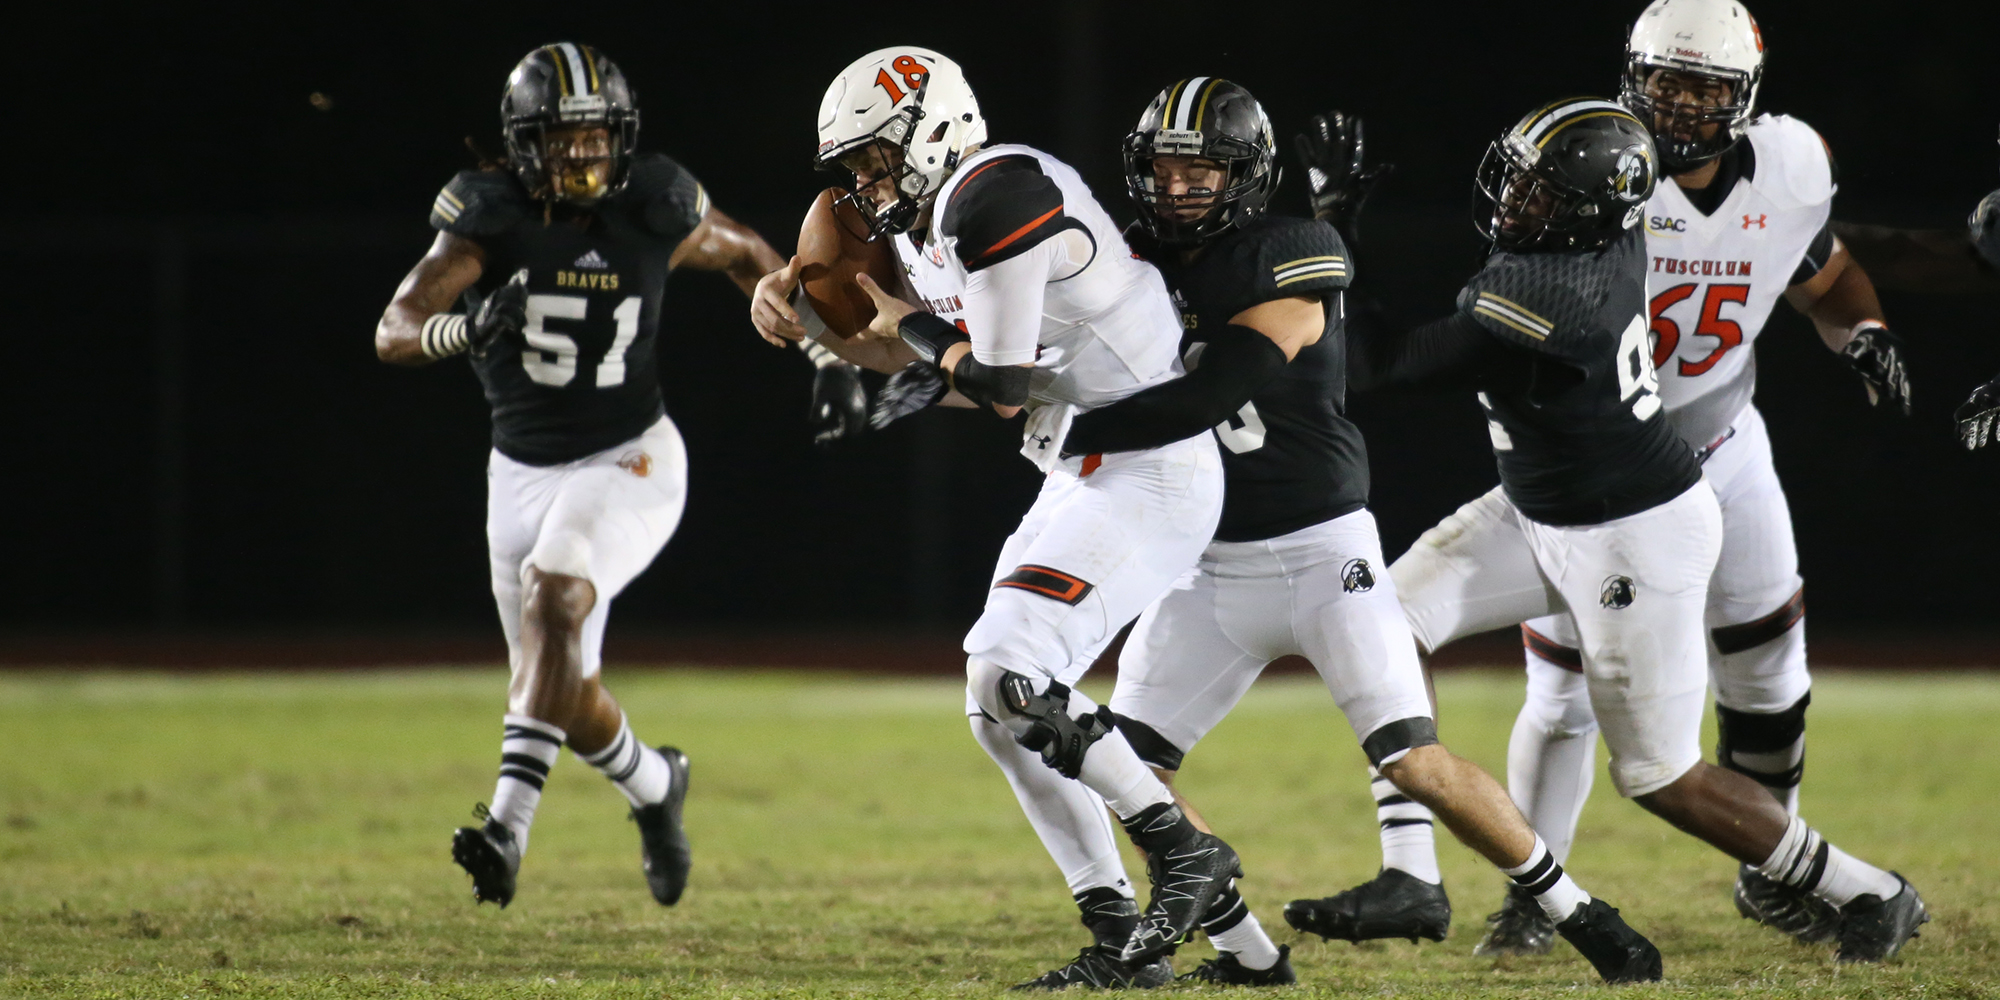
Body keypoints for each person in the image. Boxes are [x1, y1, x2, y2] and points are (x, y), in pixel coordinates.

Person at [1325, 0, 1917, 955]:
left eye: (1533, 190)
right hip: (1563, 498)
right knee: (1376, 629)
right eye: (1519, 182)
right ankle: (1431, 878)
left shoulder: (1555, 273)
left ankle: (1851, 886)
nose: (1515, 202)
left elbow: (1376, 363)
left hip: (1639, 508)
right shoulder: (1600, 193)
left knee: (1665, 763)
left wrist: (1328, 241)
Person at [1049, 79, 1667, 987]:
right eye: (1166, 169)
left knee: (1415, 762)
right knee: (1122, 772)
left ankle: (1580, 912)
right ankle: (1250, 958)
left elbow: (1214, 392)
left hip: (1319, 551)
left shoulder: (1294, 250)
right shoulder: (1122, 260)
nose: (1179, 189)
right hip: (1204, 570)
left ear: (1247, 177)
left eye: (1202, 171)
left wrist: (1062, 424)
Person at [751, 47, 1242, 988]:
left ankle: (1182, 847)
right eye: (854, 169)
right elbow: (937, 365)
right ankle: (1117, 940)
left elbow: (999, 383)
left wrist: (892, 324)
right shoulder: (938, 222)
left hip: (1155, 470)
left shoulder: (996, 193)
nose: (864, 185)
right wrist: (807, 322)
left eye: (873, 160)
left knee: (1011, 672)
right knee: (993, 704)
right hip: (1086, 467)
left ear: (929, 129)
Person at [374, 42, 787, 908]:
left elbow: (750, 255)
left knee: (556, 594)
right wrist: (467, 330)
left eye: (598, 138)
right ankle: (654, 786)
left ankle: (507, 829)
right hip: (519, 474)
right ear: (524, 144)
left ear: (623, 137)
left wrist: (821, 347)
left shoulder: (658, 205)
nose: (585, 156)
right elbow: (397, 328)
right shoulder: (490, 216)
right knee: (567, 688)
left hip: (629, 457)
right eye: (565, 139)